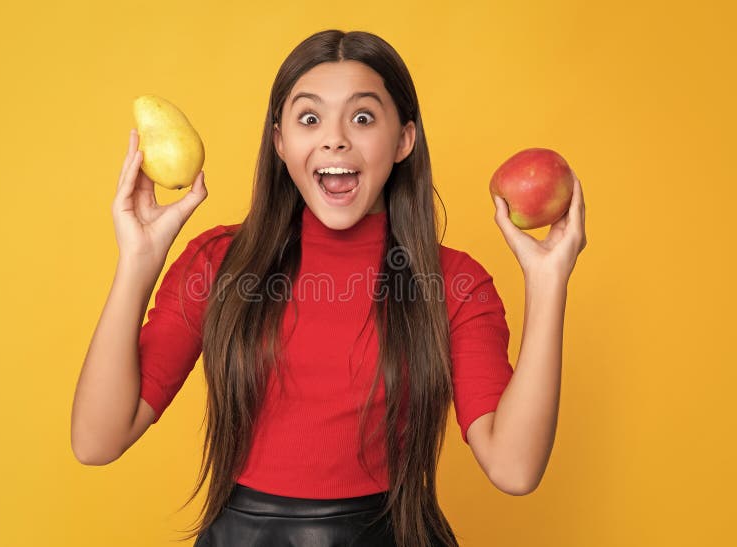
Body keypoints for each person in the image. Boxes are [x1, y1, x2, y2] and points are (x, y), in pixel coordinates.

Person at [71, 29, 587, 547]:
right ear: (280, 142)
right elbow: (97, 440)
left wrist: (547, 285)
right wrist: (138, 262)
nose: (335, 138)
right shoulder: (218, 263)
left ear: (404, 140)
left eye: (362, 118)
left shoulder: (454, 282)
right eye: (309, 118)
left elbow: (514, 469)